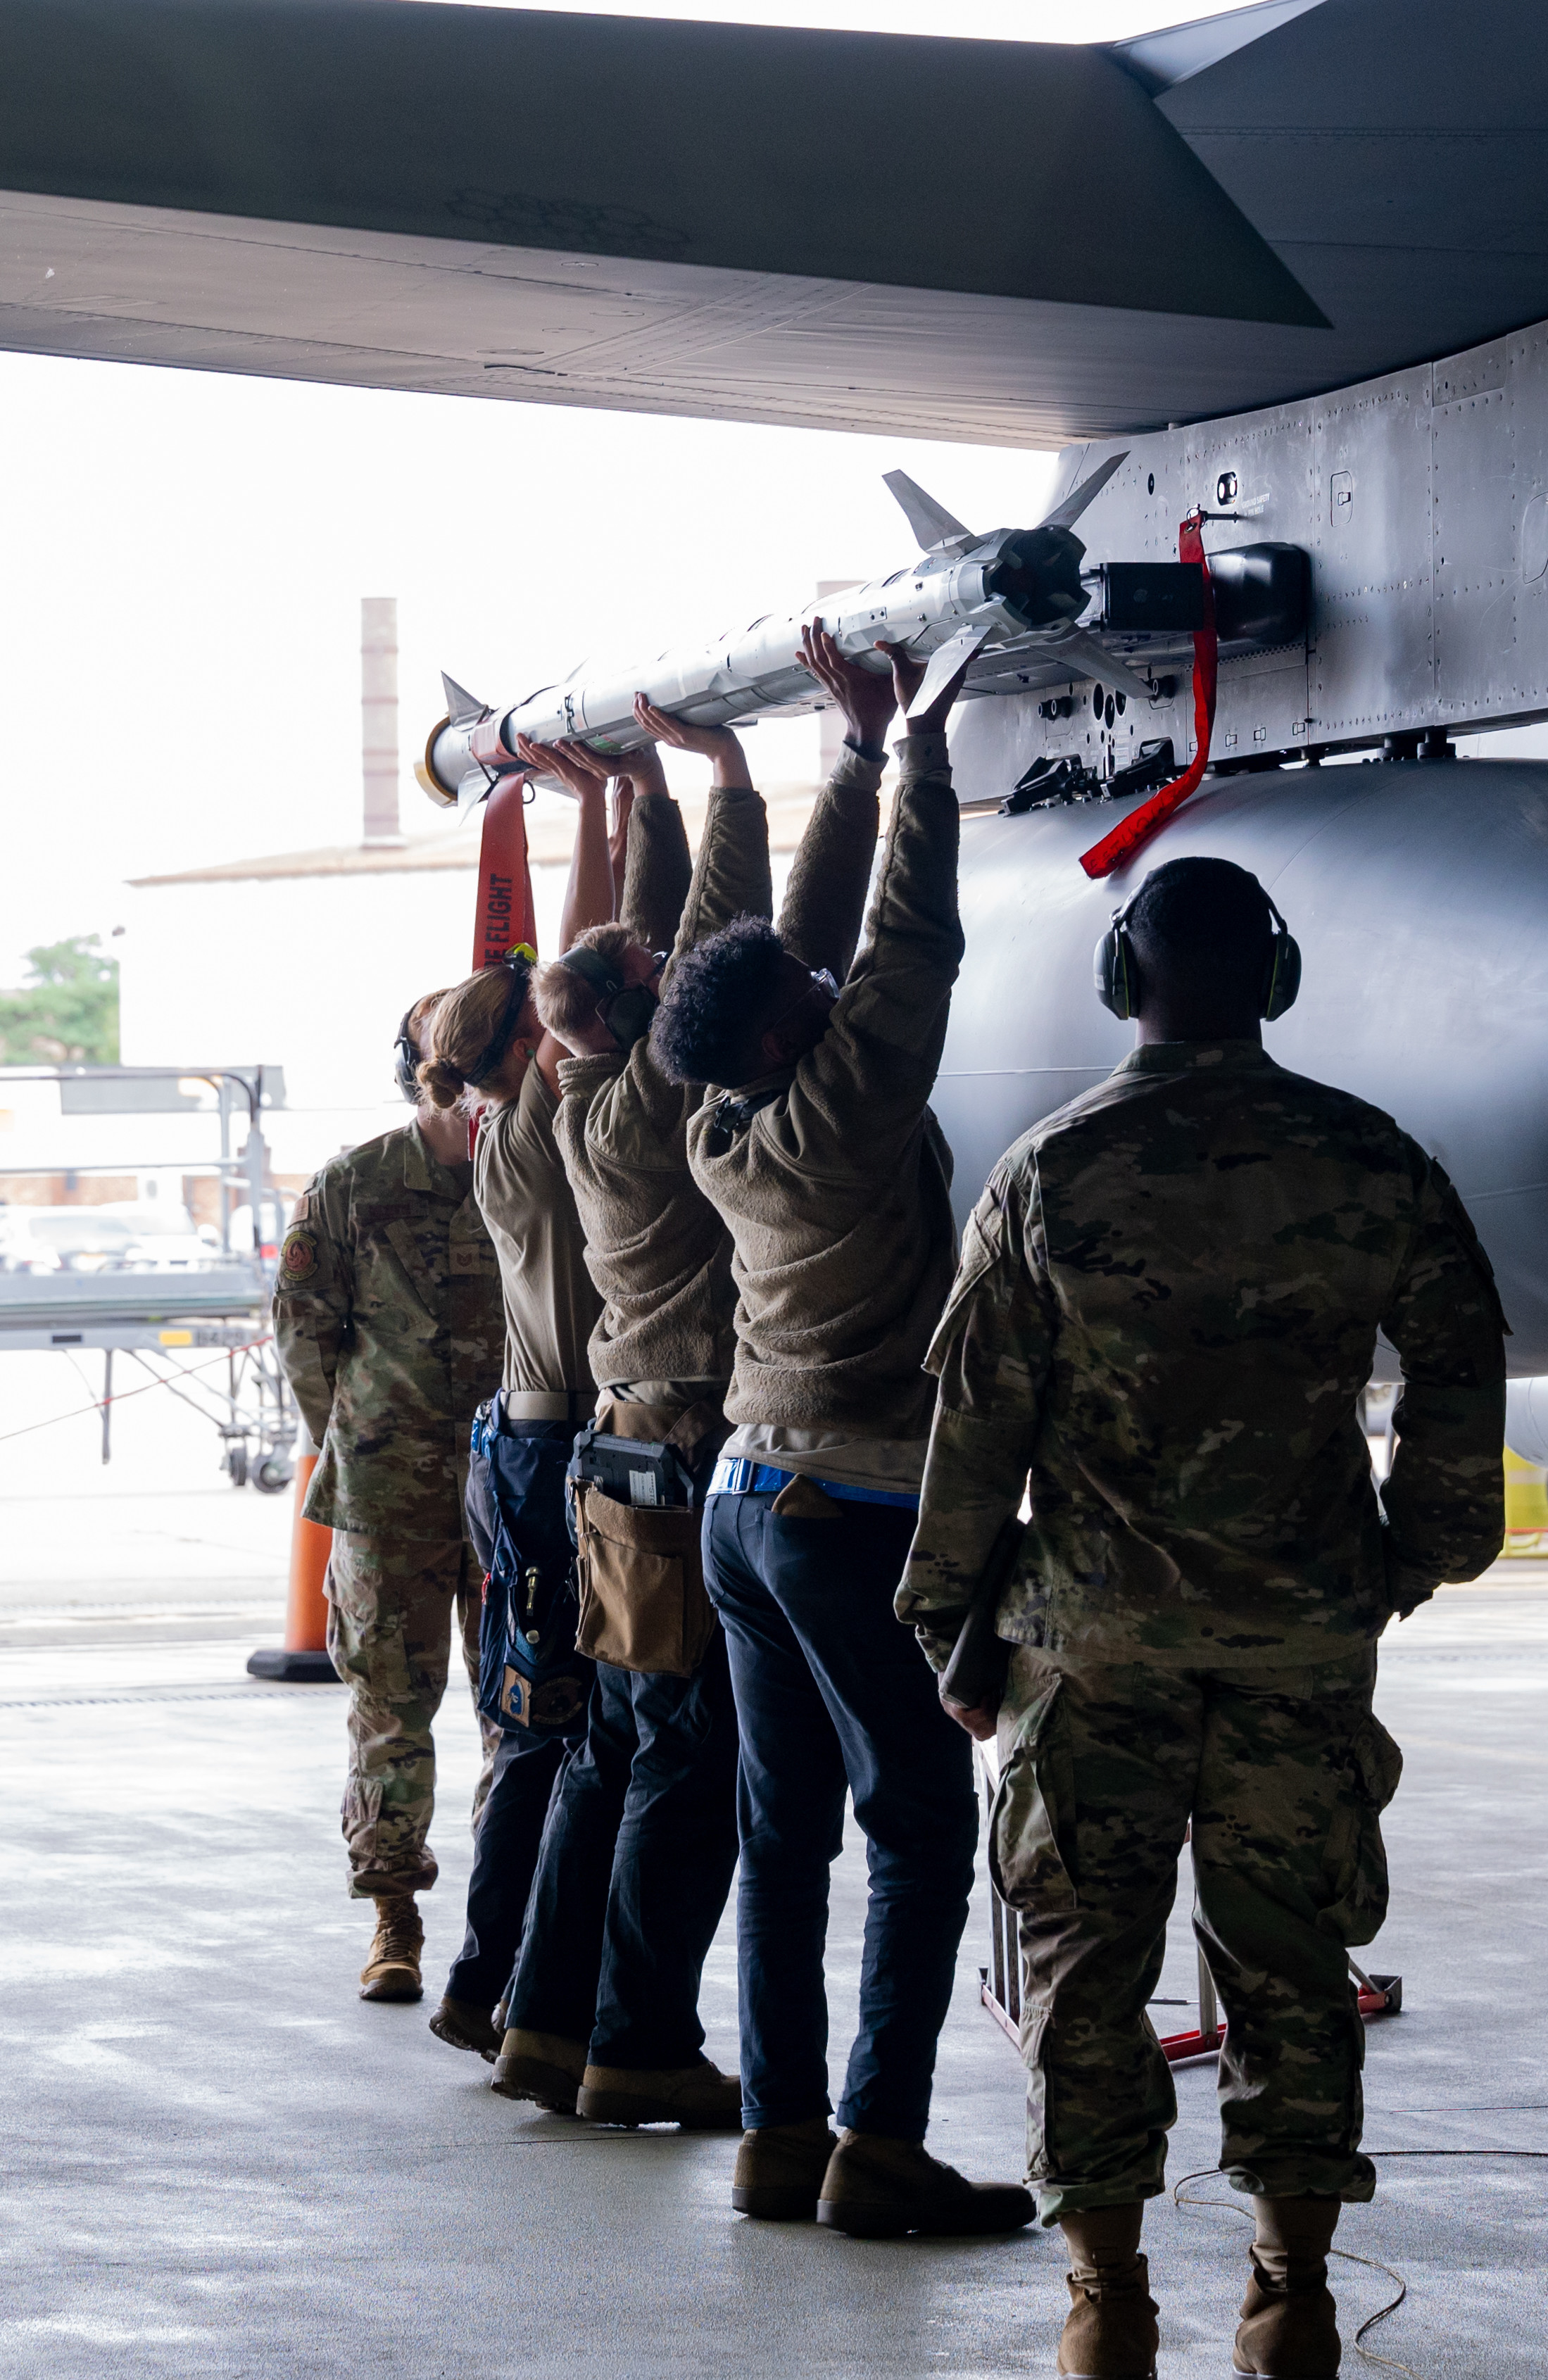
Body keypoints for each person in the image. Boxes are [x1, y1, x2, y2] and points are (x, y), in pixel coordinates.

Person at [898, 855, 1508, 2380]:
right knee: (1290, 1965)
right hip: (1300, 1642)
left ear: (1125, 977)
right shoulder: (1373, 1159)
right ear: (1276, 975)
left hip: (1090, 1653)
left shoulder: (1050, 1167)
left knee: (1086, 1970)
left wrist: (947, 1632)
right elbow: (1459, 1369)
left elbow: (976, 1426)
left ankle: (1107, 2307)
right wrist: (1409, 1556)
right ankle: (1291, 2292)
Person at [648, 622, 1034, 2238]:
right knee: (921, 1822)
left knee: (786, 1827)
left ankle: (784, 2135)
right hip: (849, 1504)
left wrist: (851, 759)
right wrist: (922, 754)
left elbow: (784, 952)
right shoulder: (836, 1108)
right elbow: (906, 943)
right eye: (811, 1004)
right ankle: (881, 2143)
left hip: (746, 1496)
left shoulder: (724, 1112)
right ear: (793, 1038)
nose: (826, 990)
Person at [486, 698, 772, 2127]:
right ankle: (640, 2037)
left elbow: (643, 947)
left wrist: (638, 795)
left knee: (613, 1745)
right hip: (676, 1440)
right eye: (652, 980)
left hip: (618, 1438)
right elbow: (715, 936)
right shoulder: (655, 1102)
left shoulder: (570, 1094)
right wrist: (723, 786)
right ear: (627, 1015)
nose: (674, 981)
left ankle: (549, 2022)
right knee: (687, 1757)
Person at [416, 759, 622, 2061]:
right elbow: (578, 970)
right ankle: (502, 1983)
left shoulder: (494, 1129)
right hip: (554, 1447)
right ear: (525, 1049)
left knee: (528, 1732)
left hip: (520, 1437)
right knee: (561, 1741)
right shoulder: (540, 1122)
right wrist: (599, 808)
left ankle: (491, 1980)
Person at [272, 990, 505, 2005]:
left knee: (525, 1714)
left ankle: (511, 1921)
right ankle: (394, 1916)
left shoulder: (531, 1173)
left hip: (512, 1488)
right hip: (389, 1490)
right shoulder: (356, 1183)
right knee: (391, 1715)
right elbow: (303, 1329)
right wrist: (352, 1441)